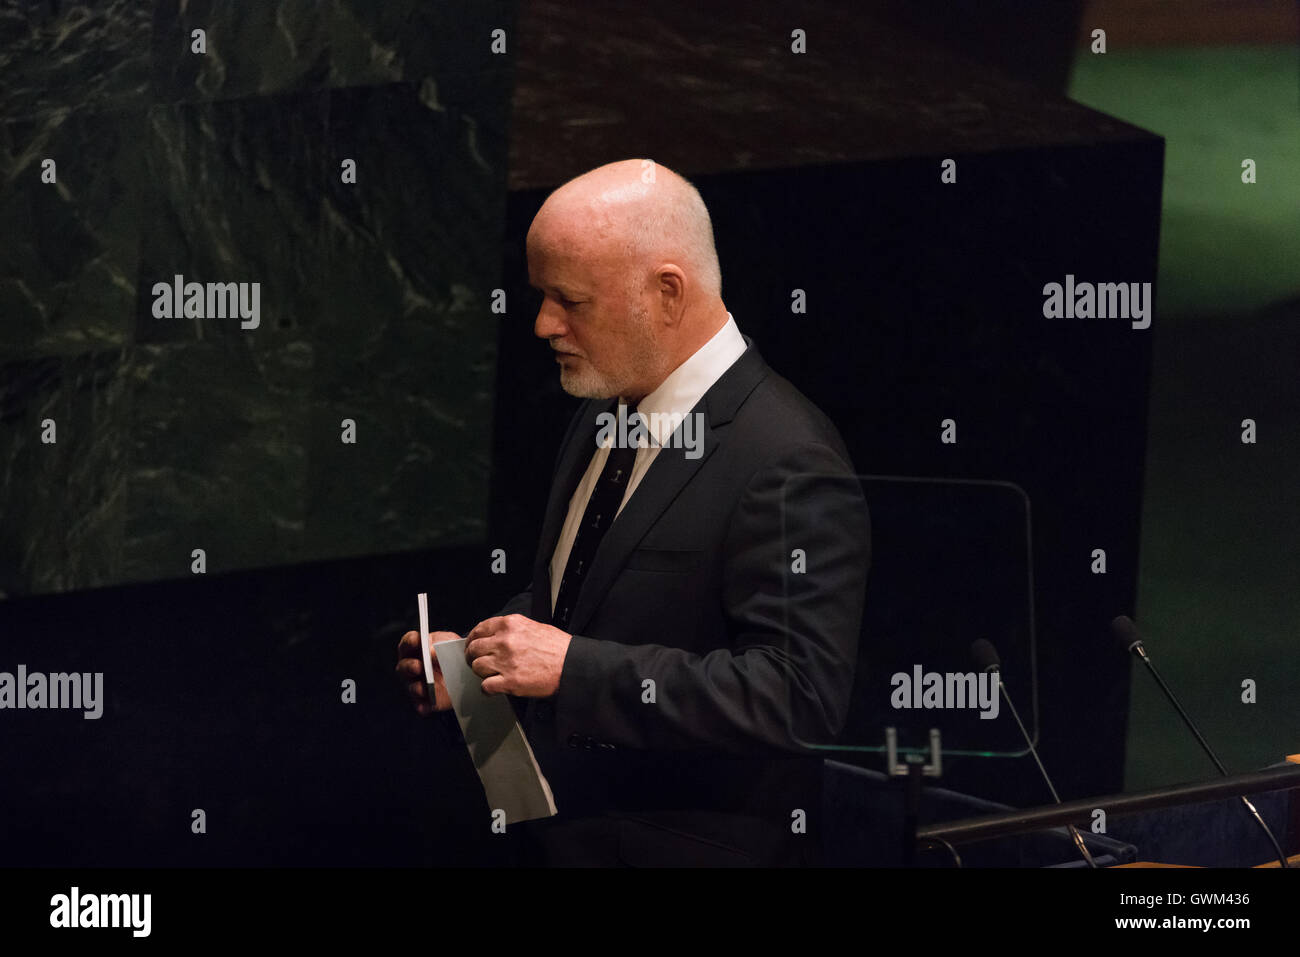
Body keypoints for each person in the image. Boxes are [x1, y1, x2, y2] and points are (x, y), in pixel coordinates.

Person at [396, 158, 869, 866]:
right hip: (565, 834)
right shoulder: (603, 410)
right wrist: (482, 661)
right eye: (541, 295)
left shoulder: (786, 458)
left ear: (667, 293)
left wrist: (570, 668)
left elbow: (796, 695)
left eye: (570, 300)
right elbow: (586, 599)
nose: (542, 323)